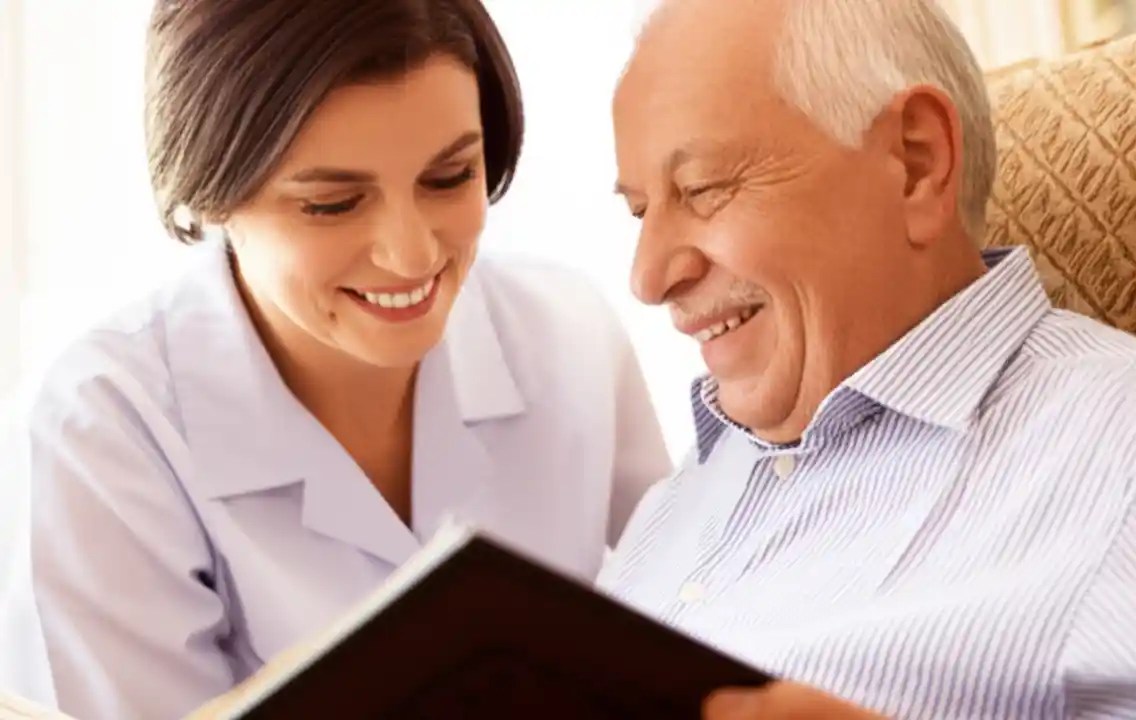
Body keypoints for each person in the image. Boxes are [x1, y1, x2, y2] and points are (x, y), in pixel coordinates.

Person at [600, 0, 1136, 717]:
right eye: (643, 212)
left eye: (703, 189)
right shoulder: (677, 502)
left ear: (915, 164)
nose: (648, 278)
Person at [10, 1, 671, 718]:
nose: (412, 253)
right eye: (332, 204)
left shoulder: (570, 338)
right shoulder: (108, 426)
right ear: (211, 199)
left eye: (448, 177)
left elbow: (698, 616)